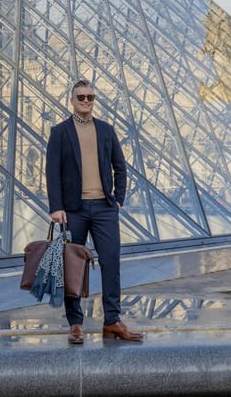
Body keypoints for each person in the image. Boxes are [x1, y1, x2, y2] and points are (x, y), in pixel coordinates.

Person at [46, 79, 143, 345]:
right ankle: (75, 324)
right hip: (73, 210)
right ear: (72, 100)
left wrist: (118, 200)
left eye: (90, 97)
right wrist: (56, 207)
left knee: (111, 263)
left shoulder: (106, 130)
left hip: (104, 208)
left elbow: (120, 167)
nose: (86, 101)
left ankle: (112, 320)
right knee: (73, 267)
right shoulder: (59, 132)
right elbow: (52, 172)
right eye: (81, 97)